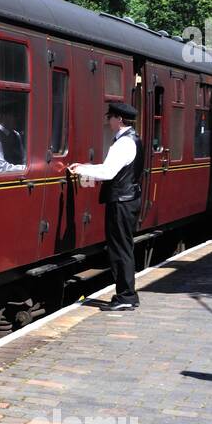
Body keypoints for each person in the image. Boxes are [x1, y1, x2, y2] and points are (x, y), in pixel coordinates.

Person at [69, 102, 145, 311]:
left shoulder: (123, 143)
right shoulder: (132, 139)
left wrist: (82, 169)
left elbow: (108, 172)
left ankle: (126, 296)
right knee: (123, 248)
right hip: (126, 199)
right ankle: (127, 294)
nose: (108, 121)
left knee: (120, 249)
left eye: (110, 117)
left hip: (122, 202)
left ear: (119, 119)